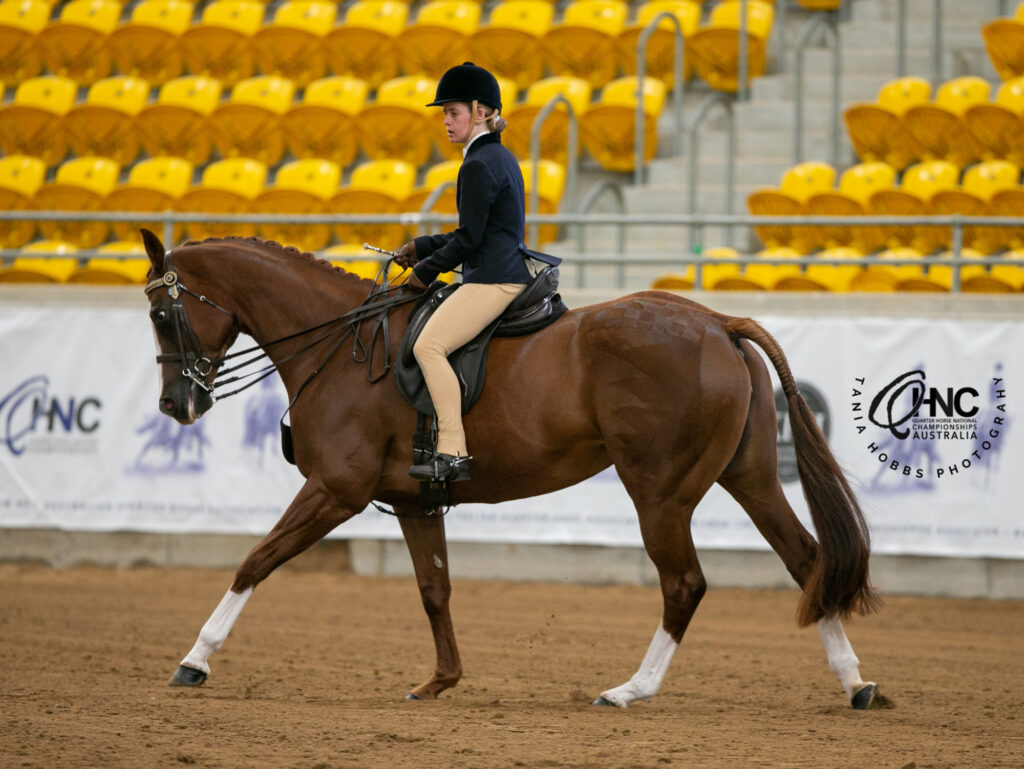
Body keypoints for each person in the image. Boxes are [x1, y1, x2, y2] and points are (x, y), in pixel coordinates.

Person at [395, 62, 532, 483]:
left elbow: (470, 242)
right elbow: (476, 232)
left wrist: (424, 272)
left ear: (480, 111)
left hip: (495, 279)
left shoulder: (477, 164)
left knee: (428, 347)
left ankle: (452, 450)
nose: (446, 121)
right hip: (501, 266)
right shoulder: (497, 156)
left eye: (452, 112)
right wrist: (422, 247)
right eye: (444, 114)